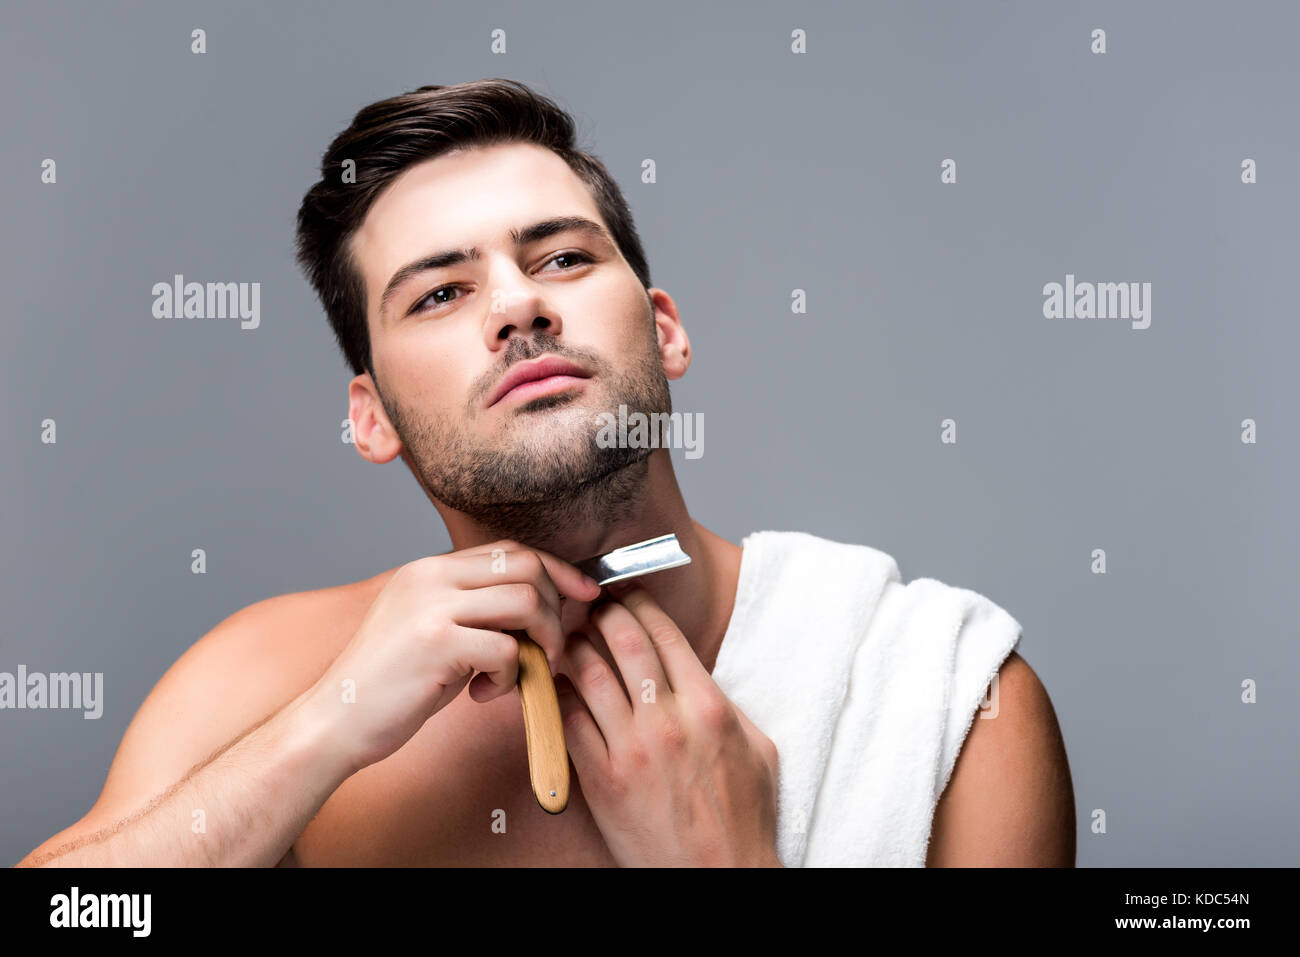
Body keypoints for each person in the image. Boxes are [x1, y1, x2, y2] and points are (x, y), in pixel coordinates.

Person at [18, 78, 1074, 868]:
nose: (519, 305)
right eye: (438, 294)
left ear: (664, 331)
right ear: (372, 418)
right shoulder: (263, 680)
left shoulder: (941, 695)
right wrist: (325, 728)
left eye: (562, 257)